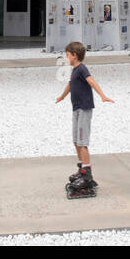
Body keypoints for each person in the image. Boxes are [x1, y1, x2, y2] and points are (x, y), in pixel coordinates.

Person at [54, 40, 113, 191]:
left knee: (82, 142)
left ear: (74, 55)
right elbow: (70, 85)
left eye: (68, 55)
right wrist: (62, 97)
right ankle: (81, 168)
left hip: (84, 109)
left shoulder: (82, 69)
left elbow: (91, 81)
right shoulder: (74, 70)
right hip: (76, 109)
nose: (66, 58)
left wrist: (102, 95)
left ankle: (87, 176)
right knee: (76, 140)